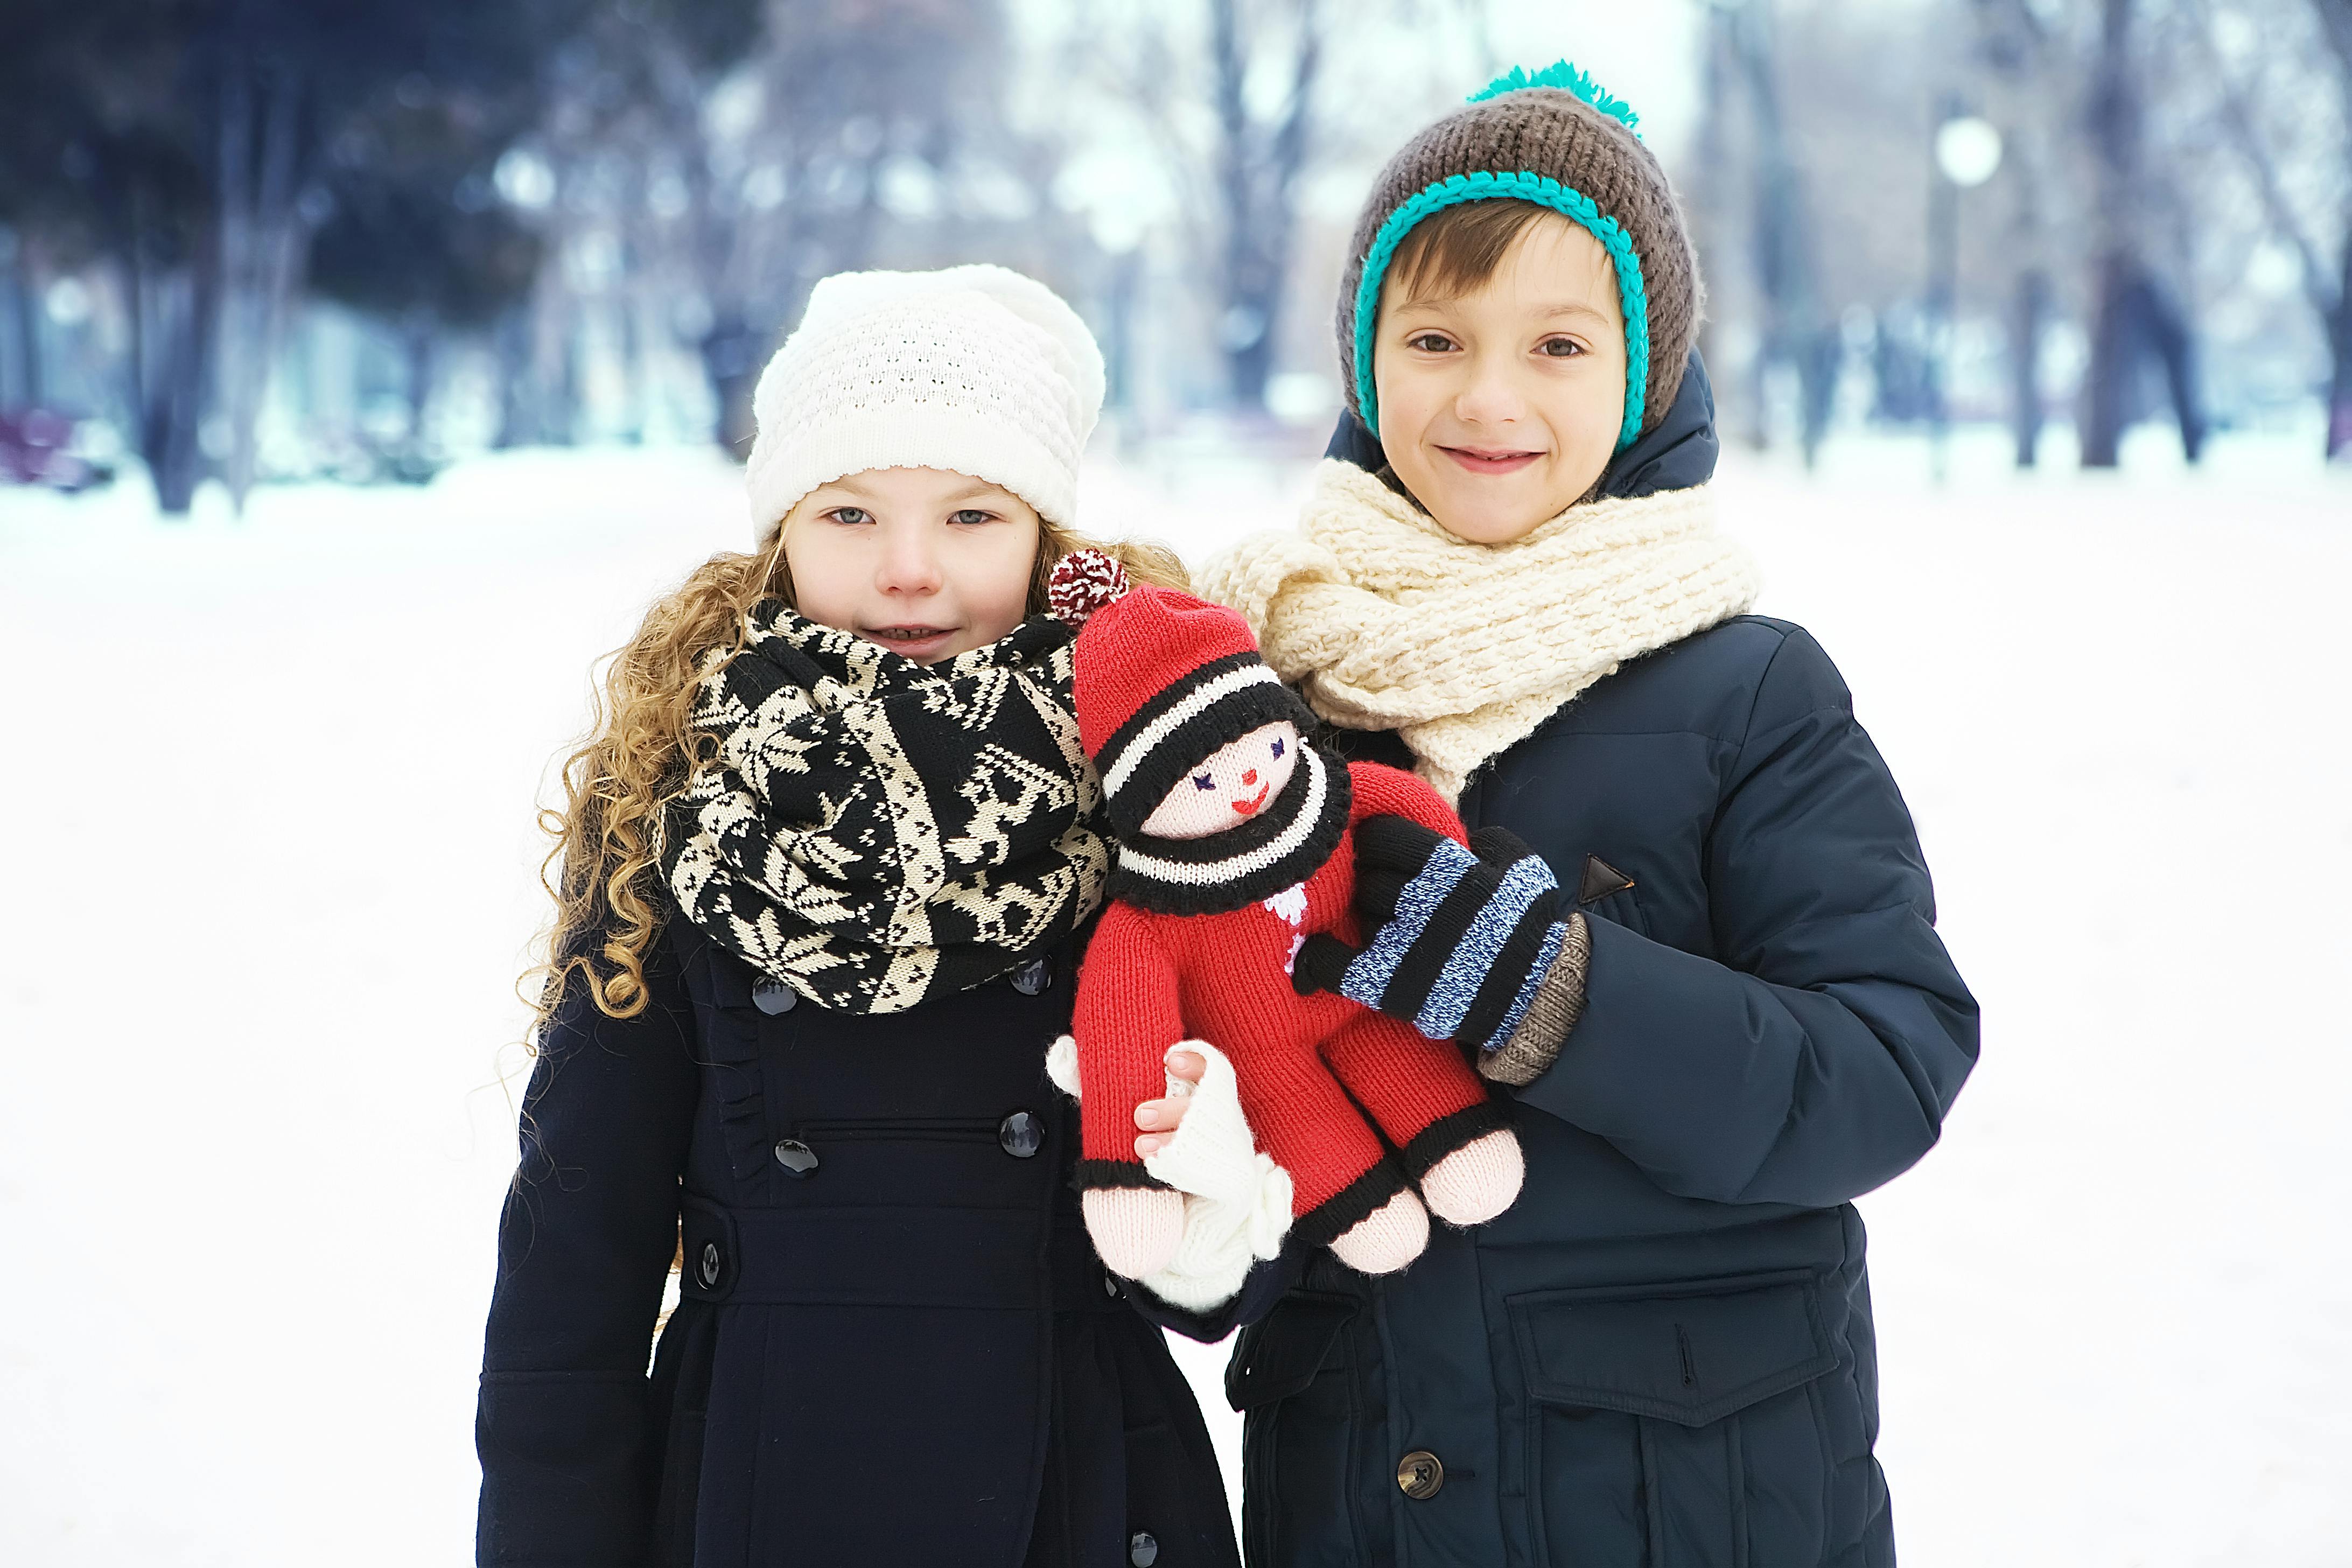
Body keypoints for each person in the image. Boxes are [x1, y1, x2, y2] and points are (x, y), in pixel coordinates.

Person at [1131, 64, 1980, 1567]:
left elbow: (1884, 1066)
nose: (1489, 396)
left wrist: (1553, 992)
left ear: (1645, 370)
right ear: (1365, 360)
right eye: (1435, 339)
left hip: (1693, 1498)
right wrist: (1192, 1185)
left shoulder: (1750, 691)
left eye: (1559, 345)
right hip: (1365, 1488)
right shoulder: (1264, 694)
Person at [474, 264, 1240, 1568]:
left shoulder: (1162, 781)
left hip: (1080, 1486)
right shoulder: (686, 799)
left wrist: (1222, 1196)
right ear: (782, 533)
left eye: (972, 514)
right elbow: (573, 1278)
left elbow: (1243, 1279)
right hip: (758, 1477)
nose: (909, 571)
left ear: (1047, 541)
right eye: (849, 512)